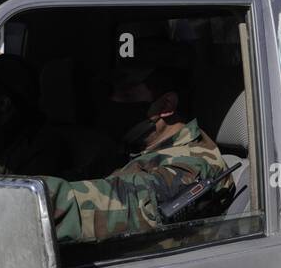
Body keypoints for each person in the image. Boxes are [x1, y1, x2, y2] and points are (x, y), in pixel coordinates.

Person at [40, 65, 233, 243]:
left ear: (166, 105)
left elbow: (132, 203)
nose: (114, 102)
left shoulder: (195, 165)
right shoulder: (133, 148)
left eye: (127, 94)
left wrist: (36, 203)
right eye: (111, 92)